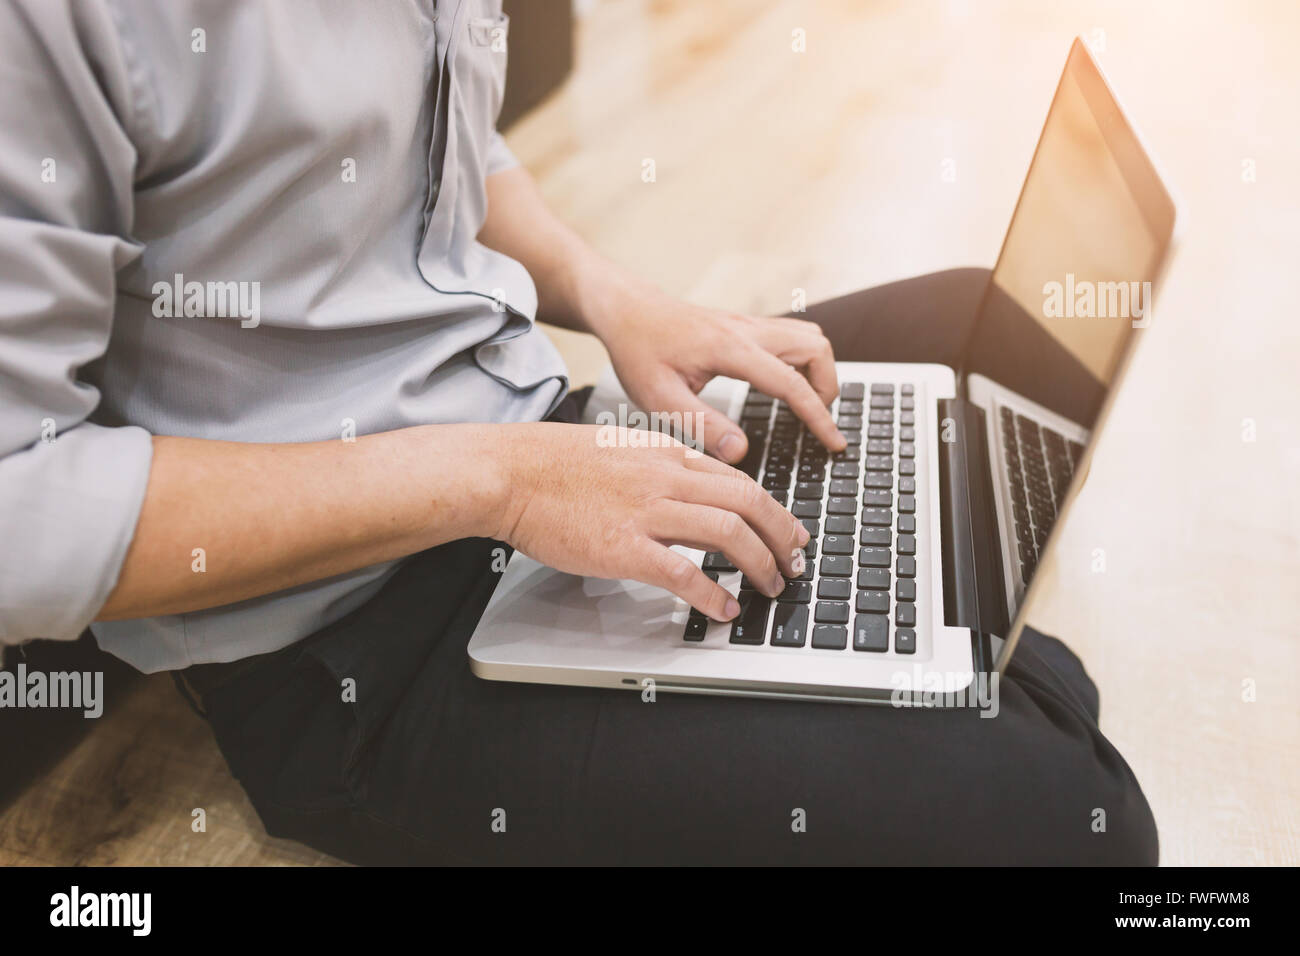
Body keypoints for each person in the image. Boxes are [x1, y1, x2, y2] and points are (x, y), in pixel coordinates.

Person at [0, 0, 1157, 864]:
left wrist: (613, 296)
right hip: (348, 644)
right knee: (1073, 815)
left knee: (979, 333)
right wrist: (499, 478)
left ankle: (913, 650)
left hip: (534, 437)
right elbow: (18, 511)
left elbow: (444, 140)